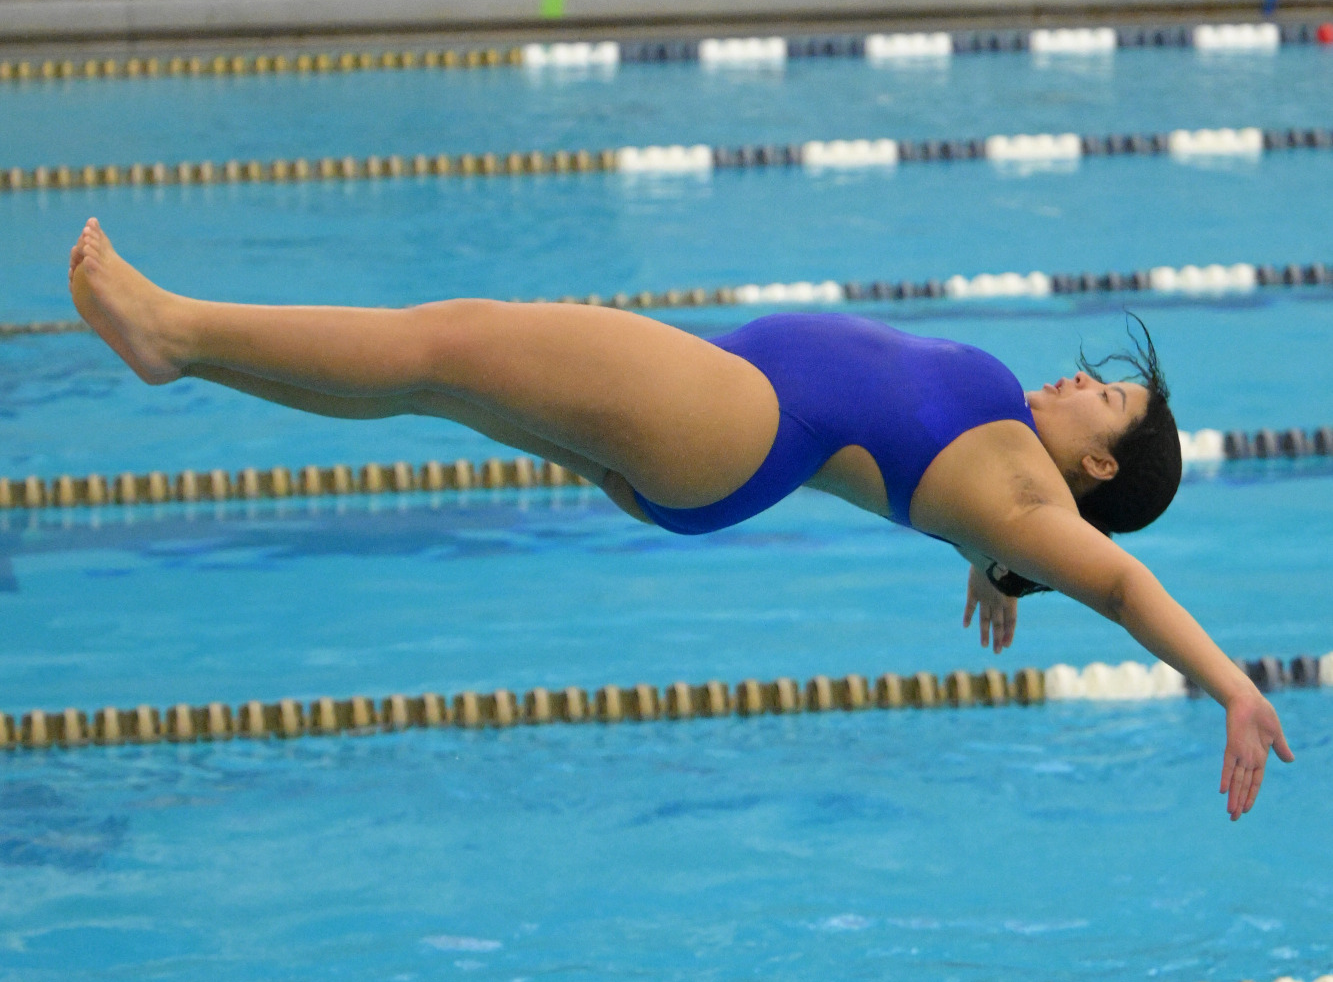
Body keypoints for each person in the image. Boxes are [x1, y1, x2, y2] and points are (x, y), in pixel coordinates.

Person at [68, 219, 1292, 821]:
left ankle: (174, 326)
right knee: (428, 379)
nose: (1082, 377)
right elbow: (1005, 531)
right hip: (711, 438)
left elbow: (1122, 586)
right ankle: (181, 356)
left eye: (1106, 396)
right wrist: (997, 571)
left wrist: (1230, 685)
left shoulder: (1026, 494)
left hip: (727, 419)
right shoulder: (1012, 493)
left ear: (1094, 463)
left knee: (445, 338)